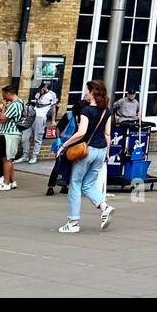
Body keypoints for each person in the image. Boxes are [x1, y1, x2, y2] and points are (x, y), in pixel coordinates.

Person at [54, 80, 115, 233]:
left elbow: (81, 133)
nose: (86, 94)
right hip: (101, 152)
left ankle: (73, 223)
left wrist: (64, 145)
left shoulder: (86, 111)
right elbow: (107, 134)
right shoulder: (106, 111)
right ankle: (105, 207)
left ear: (93, 93)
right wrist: (107, 153)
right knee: (88, 184)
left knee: (75, 184)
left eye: (87, 91)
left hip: (87, 151)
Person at [0, 85, 26, 191]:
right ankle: (12, 181)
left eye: (4, 94)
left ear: (9, 93)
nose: (3, 96)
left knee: (7, 159)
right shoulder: (20, 103)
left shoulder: (15, 105)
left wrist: (3, 108)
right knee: (8, 158)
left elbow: (3, 118)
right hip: (10, 134)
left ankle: (5, 183)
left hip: (10, 134)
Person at [17, 81, 58, 165]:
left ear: (43, 88)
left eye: (40, 90)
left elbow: (54, 108)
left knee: (37, 137)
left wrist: (53, 120)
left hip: (41, 117)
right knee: (25, 137)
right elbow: (35, 105)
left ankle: (34, 156)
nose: (38, 92)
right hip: (32, 116)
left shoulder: (52, 94)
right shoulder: (37, 94)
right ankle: (25, 156)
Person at [45, 103, 81, 196]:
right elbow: (58, 128)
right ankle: (51, 187)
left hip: (73, 145)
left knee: (69, 165)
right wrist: (58, 140)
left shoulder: (82, 118)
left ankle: (64, 186)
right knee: (58, 165)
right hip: (62, 144)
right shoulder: (69, 115)